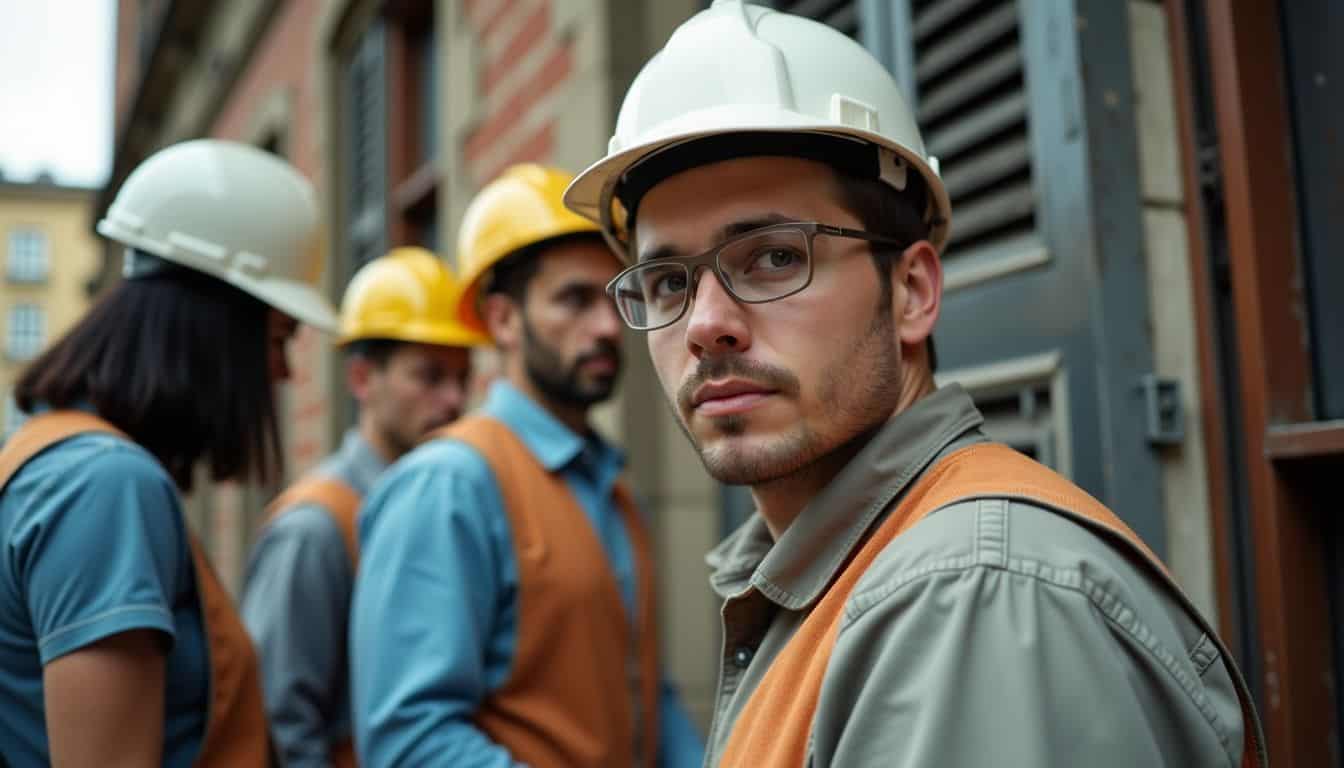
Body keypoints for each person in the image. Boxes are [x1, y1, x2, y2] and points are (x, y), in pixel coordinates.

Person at [562, 2, 1267, 766]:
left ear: (911, 293)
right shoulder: (827, 571)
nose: (705, 324)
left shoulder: (970, 595)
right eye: (667, 282)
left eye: (771, 257)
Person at [350, 164, 704, 767]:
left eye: (615, 297)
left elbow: (643, 692)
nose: (605, 327)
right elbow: (410, 742)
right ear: (503, 320)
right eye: (574, 300)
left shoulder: (611, 484)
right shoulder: (447, 485)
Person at [0, 139, 337, 767]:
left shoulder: (54, 456)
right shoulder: (105, 485)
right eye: (279, 339)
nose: (284, 373)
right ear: (217, 330)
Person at [241, 247, 487, 767]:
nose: (452, 401)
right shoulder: (314, 529)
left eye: (462, 379)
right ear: (360, 379)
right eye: (428, 376)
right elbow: (278, 727)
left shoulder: (450, 509)